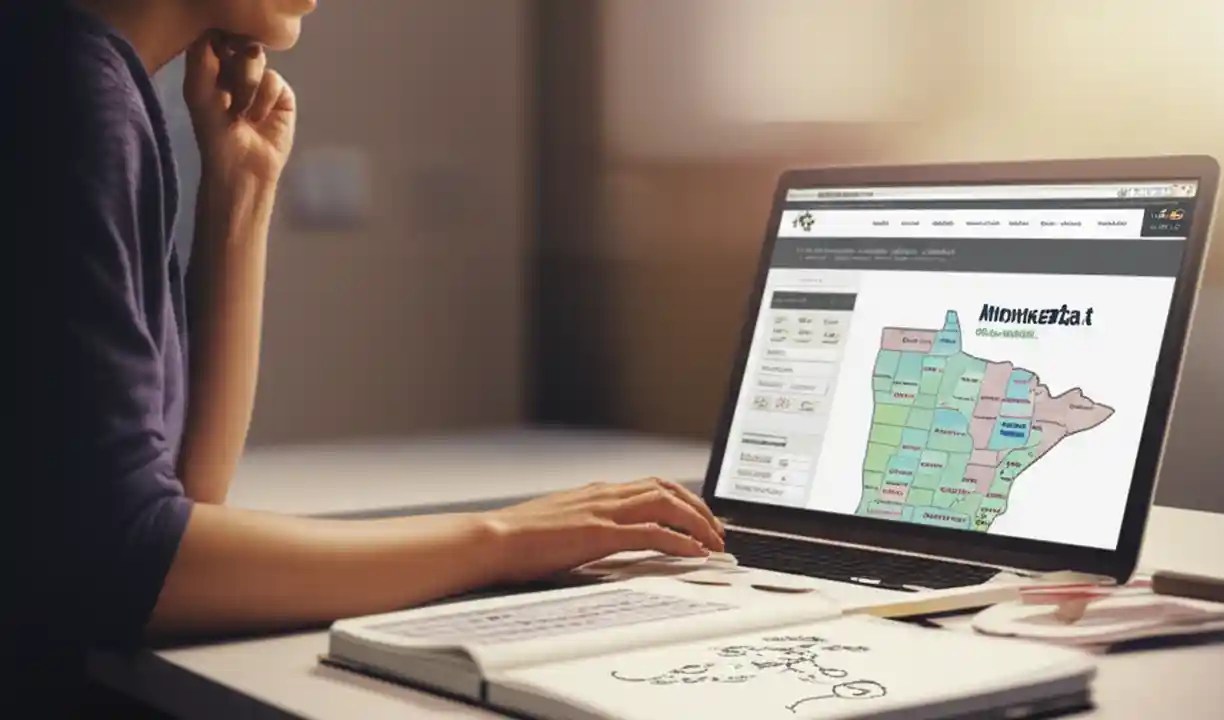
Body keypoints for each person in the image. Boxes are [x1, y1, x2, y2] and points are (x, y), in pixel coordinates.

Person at [6, 0, 724, 710]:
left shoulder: (89, 74)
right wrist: (505, 537)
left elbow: (181, 506)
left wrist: (242, 189)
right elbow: (125, 561)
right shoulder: (65, 87)